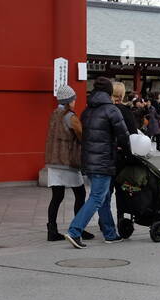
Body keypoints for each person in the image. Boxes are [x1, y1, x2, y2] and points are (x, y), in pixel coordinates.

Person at [66, 77, 130, 248]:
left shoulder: (87, 111)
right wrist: (128, 153)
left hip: (89, 160)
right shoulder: (111, 110)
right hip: (104, 161)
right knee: (96, 197)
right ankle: (74, 230)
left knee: (103, 197)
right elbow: (123, 135)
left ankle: (110, 233)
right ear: (109, 92)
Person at [44, 84, 93, 242]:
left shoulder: (54, 114)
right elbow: (82, 136)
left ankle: (52, 230)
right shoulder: (70, 117)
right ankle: (79, 227)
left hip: (53, 161)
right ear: (69, 100)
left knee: (56, 197)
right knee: (80, 194)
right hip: (68, 162)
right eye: (73, 99)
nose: (75, 102)